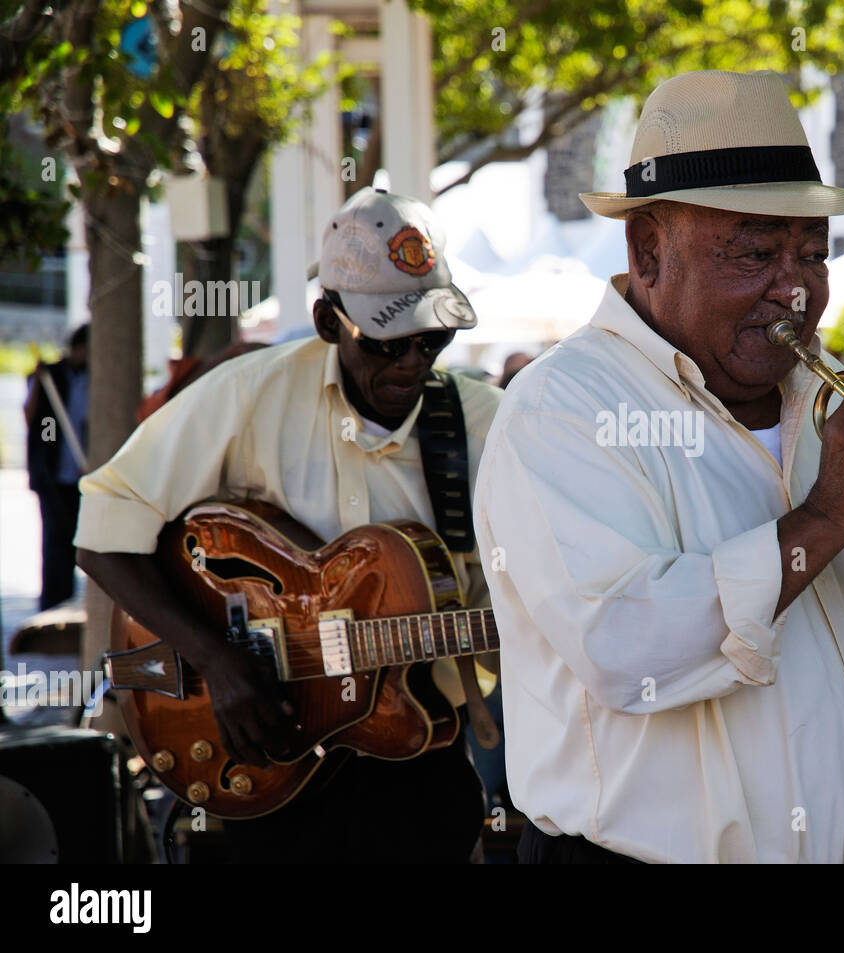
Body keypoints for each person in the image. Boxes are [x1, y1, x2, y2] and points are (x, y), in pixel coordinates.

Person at [473, 70, 844, 864]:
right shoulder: (560, 410)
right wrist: (827, 515)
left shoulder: (832, 407)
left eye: (814, 256)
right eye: (754, 252)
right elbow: (626, 647)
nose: (794, 291)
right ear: (649, 248)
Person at [74, 187, 500, 863]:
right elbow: (102, 526)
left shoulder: (490, 426)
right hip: (274, 759)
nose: (414, 360)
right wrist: (218, 657)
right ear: (328, 321)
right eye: (391, 341)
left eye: (432, 338)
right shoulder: (248, 394)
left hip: (419, 768)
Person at [24, 324, 89, 610]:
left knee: (77, 540)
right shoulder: (51, 376)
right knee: (55, 540)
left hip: (83, 473)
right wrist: (38, 381)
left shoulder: (94, 378)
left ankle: (71, 601)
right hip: (53, 474)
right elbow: (33, 419)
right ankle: (52, 604)